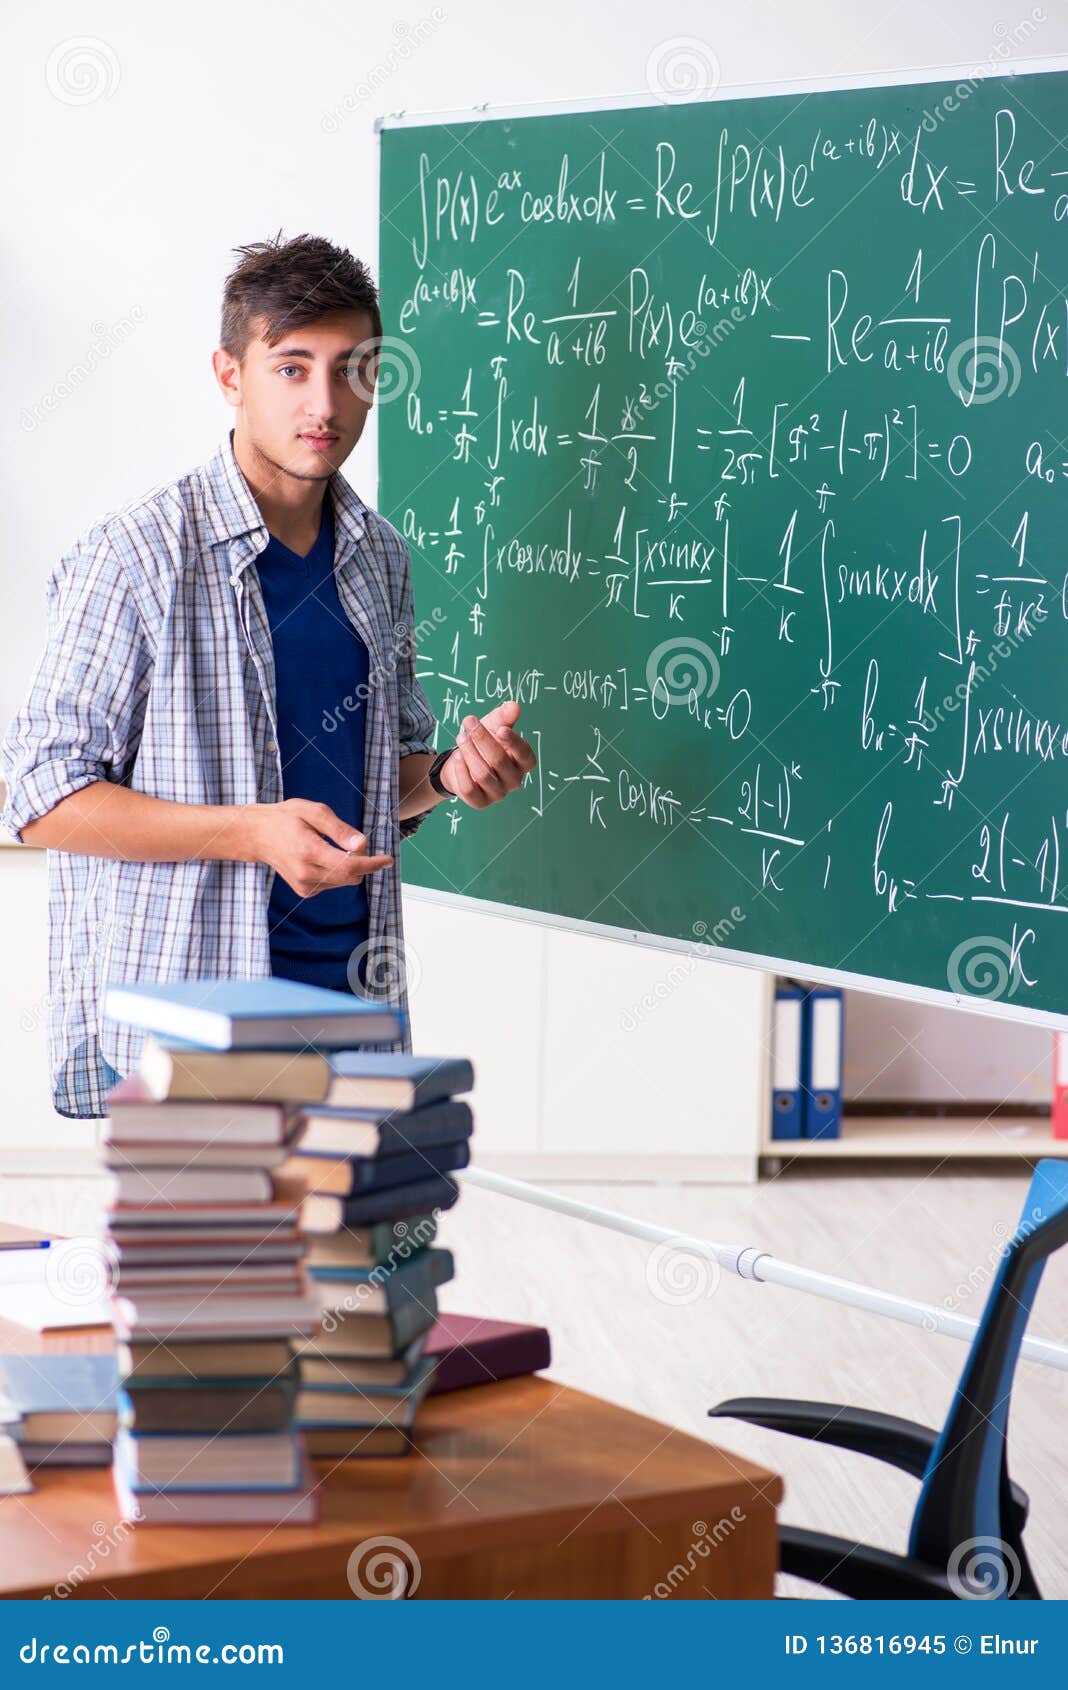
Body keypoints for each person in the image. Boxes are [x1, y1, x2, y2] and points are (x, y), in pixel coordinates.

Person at [0, 232, 536, 1119]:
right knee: (222, 1261)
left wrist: (446, 775)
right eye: (291, 367)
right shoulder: (135, 557)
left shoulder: (379, 561)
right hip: (193, 1025)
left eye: (352, 369)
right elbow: (39, 797)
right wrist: (252, 833)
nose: (324, 402)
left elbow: (373, 785)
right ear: (229, 375)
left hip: (354, 1006)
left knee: (352, 1259)